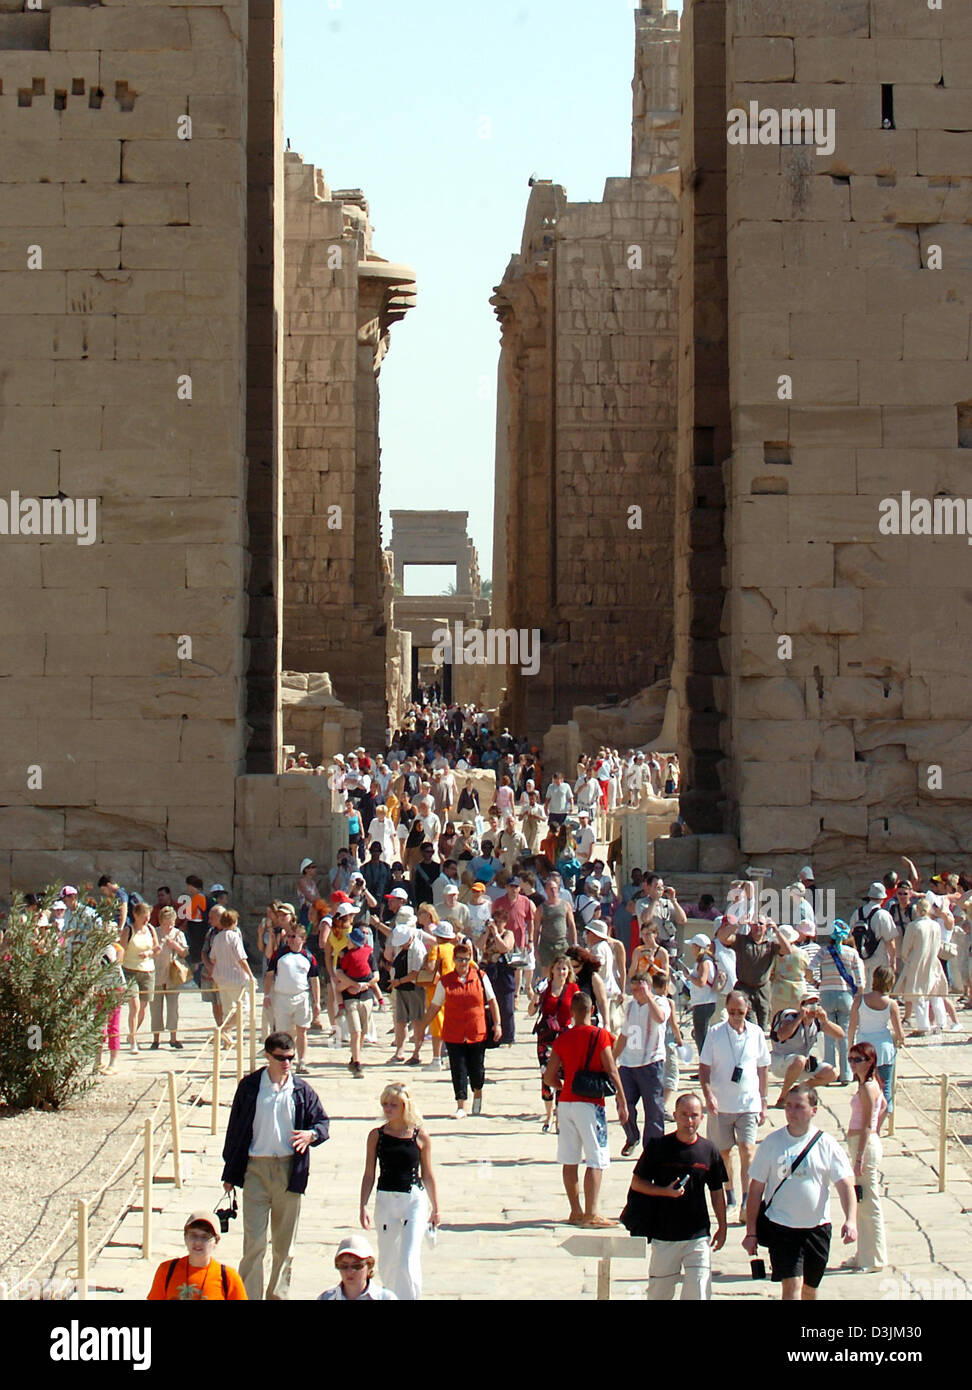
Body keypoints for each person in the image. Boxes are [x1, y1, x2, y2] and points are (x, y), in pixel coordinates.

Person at [221, 1031, 330, 1300]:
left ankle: (278, 1296)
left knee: (284, 1246)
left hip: (288, 1171)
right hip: (255, 1169)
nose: (286, 1063)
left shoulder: (301, 1090)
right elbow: (235, 1131)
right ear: (267, 1056)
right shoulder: (249, 1087)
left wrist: (311, 1135)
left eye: (291, 1058)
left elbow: (323, 1123)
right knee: (254, 1244)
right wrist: (230, 1174)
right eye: (280, 1058)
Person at [744, 1085, 857, 1301]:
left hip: (817, 1228)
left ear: (813, 1110)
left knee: (810, 1289)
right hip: (782, 1227)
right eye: (788, 1106)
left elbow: (844, 1185)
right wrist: (751, 1232)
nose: (792, 1111)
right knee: (792, 1284)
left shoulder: (827, 1144)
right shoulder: (772, 1143)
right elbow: (756, 1188)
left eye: (799, 1106)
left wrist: (850, 1220)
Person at [621, 1093, 727, 1300]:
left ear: (702, 1118)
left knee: (698, 1293)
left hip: (697, 1235)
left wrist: (722, 1226)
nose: (689, 1121)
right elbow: (637, 1183)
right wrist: (664, 1192)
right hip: (664, 1236)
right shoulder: (658, 1147)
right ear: (675, 1115)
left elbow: (716, 1191)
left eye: (694, 1116)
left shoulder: (709, 1150)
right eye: (684, 1115)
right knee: (659, 1294)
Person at [542, 991, 629, 1228]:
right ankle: (592, 1213)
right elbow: (611, 1069)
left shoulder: (562, 1038)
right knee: (596, 1158)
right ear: (592, 1011)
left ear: (572, 1012)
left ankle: (575, 1210)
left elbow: (549, 1075)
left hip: (566, 1102)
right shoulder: (599, 1035)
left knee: (570, 1159)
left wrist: (563, 1085)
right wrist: (622, 1099)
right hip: (590, 1103)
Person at [359, 1083, 440, 1300]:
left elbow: (428, 1174)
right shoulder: (376, 1136)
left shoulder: (420, 1136)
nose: (388, 1109)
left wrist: (436, 1208)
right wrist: (363, 1205)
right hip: (385, 1199)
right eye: (385, 1104)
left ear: (405, 1106)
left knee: (408, 1260)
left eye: (393, 1105)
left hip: (413, 1199)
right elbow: (369, 1174)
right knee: (388, 1260)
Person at [698, 991, 769, 1224]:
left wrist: (764, 1100)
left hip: (748, 1103)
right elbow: (704, 1066)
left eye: (740, 1012)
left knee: (747, 1150)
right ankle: (730, 1197)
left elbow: (763, 1067)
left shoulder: (756, 1033)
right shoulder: (716, 1033)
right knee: (723, 1153)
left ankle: (747, 1201)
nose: (736, 1016)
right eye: (732, 1012)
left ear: (747, 1009)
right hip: (721, 1104)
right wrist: (708, 1095)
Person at [420, 936, 501, 1118]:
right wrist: (423, 1026)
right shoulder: (446, 981)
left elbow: (492, 1001)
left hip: (476, 1030)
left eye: (466, 959)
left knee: (476, 1069)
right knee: (458, 1069)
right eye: (459, 959)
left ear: (470, 959)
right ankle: (461, 1105)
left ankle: (477, 1092)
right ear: (454, 960)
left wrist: (498, 1024)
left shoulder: (480, 977)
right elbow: (435, 1006)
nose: (463, 963)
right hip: (453, 1032)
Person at [615, 970, 670, 1157]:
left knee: (653, 1109)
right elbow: (624, 1034)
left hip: (651, 1062)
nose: (637, 993)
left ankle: (653, 1150)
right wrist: (613, 1058)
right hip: (629, 1064)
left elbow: (660, 1018)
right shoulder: (630, 1006)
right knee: (624, 1104)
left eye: (640, 989)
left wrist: (648, 997)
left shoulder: (661, 1002)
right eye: (634, 989)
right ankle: (632, 1136)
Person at [844, 1042, 888, 1272]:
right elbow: (884, 1106)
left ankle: (874, 1259)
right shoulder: (867, 1085)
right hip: (861, 1144)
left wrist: (860, 1156)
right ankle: (864, 1253)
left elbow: (868, 1123)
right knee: (861, 1203)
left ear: (870, 1062)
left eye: (857, 1060)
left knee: (869, 1203)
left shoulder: (868, 1087)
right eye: (850, 1059)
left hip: (864, 1147)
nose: (852, 1064)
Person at [147, 1210, 247, 1301]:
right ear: (185, 1237)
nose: (198, 1242)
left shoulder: (228, 1277)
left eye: (205, 1237)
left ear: (216, 1241)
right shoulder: (167, 1270)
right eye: (193, 1235)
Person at [529, 954, 578, 1133]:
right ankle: (548, 1115)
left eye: (564, 968)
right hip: (546, 1036)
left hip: (565, 1036)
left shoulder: (573, 989)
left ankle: (559, 1117)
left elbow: (579, 1011)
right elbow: (532, 1011)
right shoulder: (545, 988)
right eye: (558, 968)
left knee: (561, 1075)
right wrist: (535, 1000)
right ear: (552, 970)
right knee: (546, 1074)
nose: (561, 972)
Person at [264, 922, 321, 1074]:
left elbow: (314, 980)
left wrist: (316, 1002)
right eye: (289, 936)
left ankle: (302, 1061)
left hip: (301, 996)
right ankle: (284, 1060)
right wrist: (267, 994)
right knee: (283, 1032)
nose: (290, 939)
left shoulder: (309, 957)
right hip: (282, 997)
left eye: (294, 936)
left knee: (302, 1030)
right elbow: (269, 975)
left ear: (302, 939)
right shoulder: (280, 955)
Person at [769, 988, 842, 1106]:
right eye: (810, 1004)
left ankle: (796, 1090)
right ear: (802, 1006)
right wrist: (799, 1018)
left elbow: (840, 1035)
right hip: (780, 1062)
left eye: (816, 1004)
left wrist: (825, 1021)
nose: (813, 1007)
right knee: (800, 1059)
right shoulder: (790, 1018)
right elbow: (781, 1036)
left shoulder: (817, 1023)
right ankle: (782, 1098)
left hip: (801, 1065)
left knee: (831, 1073)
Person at [848, 965, 905, 1113]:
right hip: (884, 1047)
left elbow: (852, 1026)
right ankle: (879, 1123)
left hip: (864, 1048)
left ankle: (866, 1121)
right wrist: (900, 1040)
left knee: (863, 1087)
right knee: (885, 1087)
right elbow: (900, 1033)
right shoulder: (892, 1004)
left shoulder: (859, 1000)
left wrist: (850, 1046)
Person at [716, 915, 788, 1030]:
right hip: (744, 988)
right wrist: (737, 924)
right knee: (750, 1023)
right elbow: (722, 937)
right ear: (750, 925)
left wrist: (776, 930)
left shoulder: (770, 945)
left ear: (766, 927)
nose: (758, 926)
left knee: (762, 1025)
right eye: (755, 924)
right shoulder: (741, 941)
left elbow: (787, 950)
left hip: (763, 989)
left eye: (761, 923)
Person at [816, 919, 866, 1085]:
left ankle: (829, 1072)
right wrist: (858, 996)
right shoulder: (852, 953)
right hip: (845, 995)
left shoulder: (823, 952)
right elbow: (860, 980)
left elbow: (809, 969)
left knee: (829, 1034)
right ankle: (847, 1074)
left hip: (826, 993)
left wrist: (817, 983)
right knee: (845, 1035)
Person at [896, 895, 950, 1035]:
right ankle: (942, 1023)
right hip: (933, 961)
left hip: (916, 962)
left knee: (918, 993)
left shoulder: (914, 926)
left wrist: (907, 959)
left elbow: (905, 949)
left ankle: (923, 1025)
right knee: (934, 992)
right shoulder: (936, 925)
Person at [211, 907, 256, 1044]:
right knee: (244, 1008)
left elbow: (213, 958)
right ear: (234, 922)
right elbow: (241, 958)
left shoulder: (217, 937)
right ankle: (224, 1031)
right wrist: (251, 975)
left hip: (221, 977)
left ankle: (228, 1040)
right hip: (235, 978)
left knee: (227, 1010)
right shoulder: (234, 936)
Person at [120, 899, 160, 1052]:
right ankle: (133, 1041)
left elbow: (157, 947)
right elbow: (121, 950)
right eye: (144, 915)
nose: (147, 919)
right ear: (136, 915)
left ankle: (132, 1033)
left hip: (148, 970)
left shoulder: (150, 929)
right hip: (130, 970)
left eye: (148, 916)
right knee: (134, 1006)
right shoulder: (128, 930)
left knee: (143, 1007)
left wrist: (149, 953)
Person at [150, 905, 188, 1050]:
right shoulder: (155, 932)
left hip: (172, 975)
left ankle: (173, 1037)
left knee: (173, 1008)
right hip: (157, 973)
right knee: (155, 1008)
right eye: (165, 923)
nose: (168, 926)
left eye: (170, 923)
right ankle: (156, 1038)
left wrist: (175, 945)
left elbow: (185, 952)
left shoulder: (178, 934)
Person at [318, 1235, 397, 1301]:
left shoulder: (386, 1298)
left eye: (356, 1266)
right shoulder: (326, 1297)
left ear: (369, 1266)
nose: (349, 1271)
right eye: (343, 1266)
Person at [481, 912, 517, 1045]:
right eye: (494, 921)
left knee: (506, 1006)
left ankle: (508, 1036)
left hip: (504, 971)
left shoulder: (508, 934)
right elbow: (479, 946)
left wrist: (496, 934)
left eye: (499, 922)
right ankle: (492, 1035)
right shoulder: (488, 934)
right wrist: (486, 933)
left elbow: (504, 948)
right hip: (490, 970)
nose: (496, 924)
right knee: (490, 1002)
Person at [686, 933, 719, 1054]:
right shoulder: (705, 960)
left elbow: (701, 982)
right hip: (703, 1002)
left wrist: (689, 977)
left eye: (693, 946)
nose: (691, 949)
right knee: (701, 1035)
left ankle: (706, 1067)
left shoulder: (704, 961)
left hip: (704, 1003)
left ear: (698, 947)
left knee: (702, 1036)